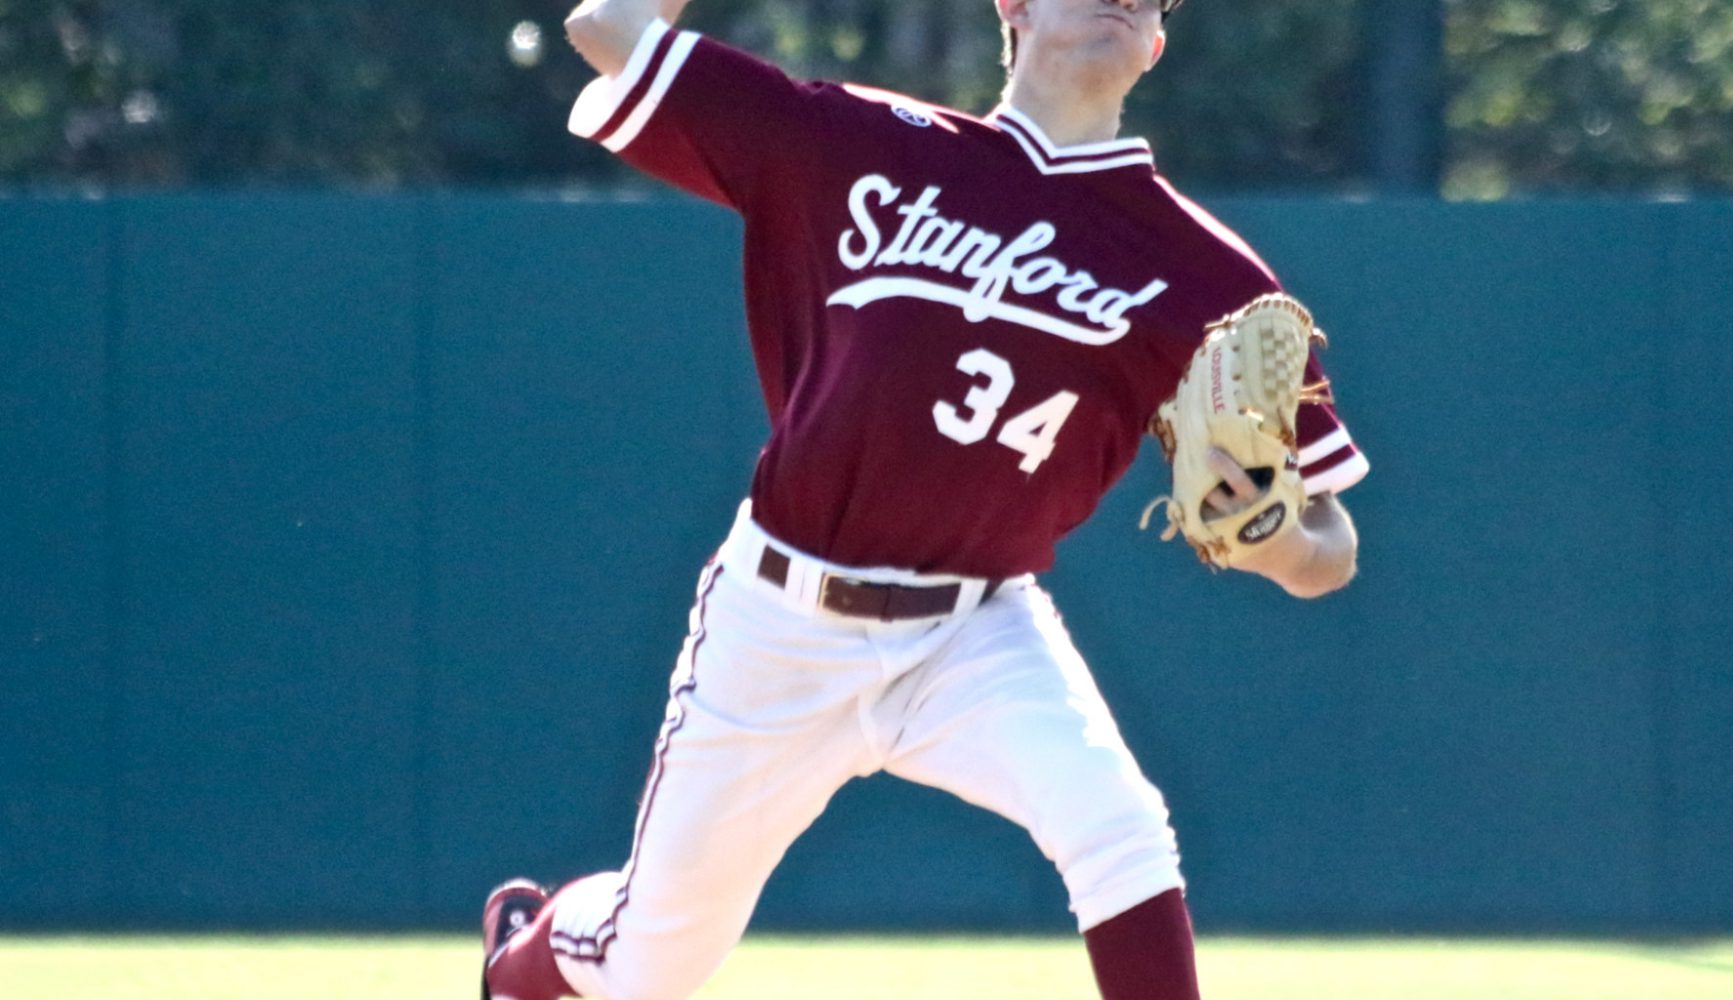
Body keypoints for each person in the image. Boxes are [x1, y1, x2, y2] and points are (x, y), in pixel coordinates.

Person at [481, 0, 1370, 997]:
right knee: (648, 965)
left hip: (975, 629)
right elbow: (607, 26)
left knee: (1118, 829)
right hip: (777, 619)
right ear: (1014, 8)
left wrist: (1272, 539)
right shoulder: (855, 143)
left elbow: (1328, 548)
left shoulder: (1209, 278)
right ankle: (530, 946)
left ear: (1156, 44)